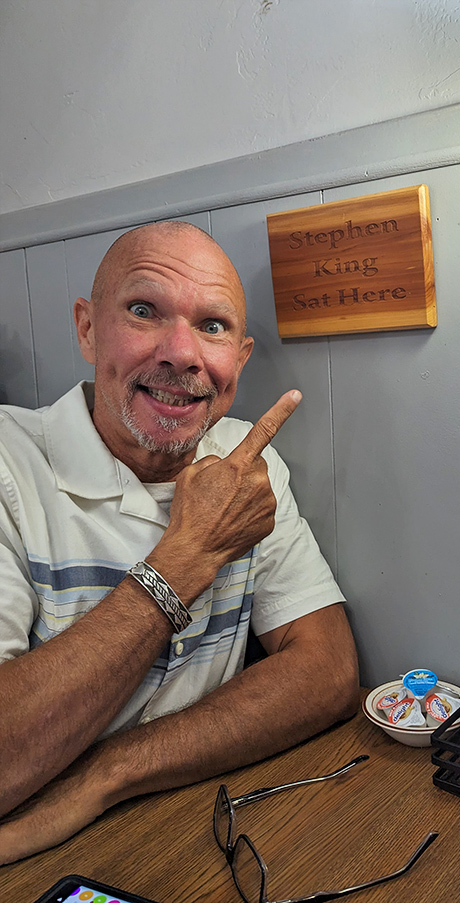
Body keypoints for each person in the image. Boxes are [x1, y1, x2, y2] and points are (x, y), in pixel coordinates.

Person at [0, 221, 360, 864]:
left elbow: (328, 670)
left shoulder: (245, 459)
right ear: (87, 328)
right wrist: (188, 557)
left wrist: (108, 773)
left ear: (239, 360)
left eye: (212, 326)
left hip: (187, 826)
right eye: (144, 311)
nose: (182, 353)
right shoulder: (10, 465)